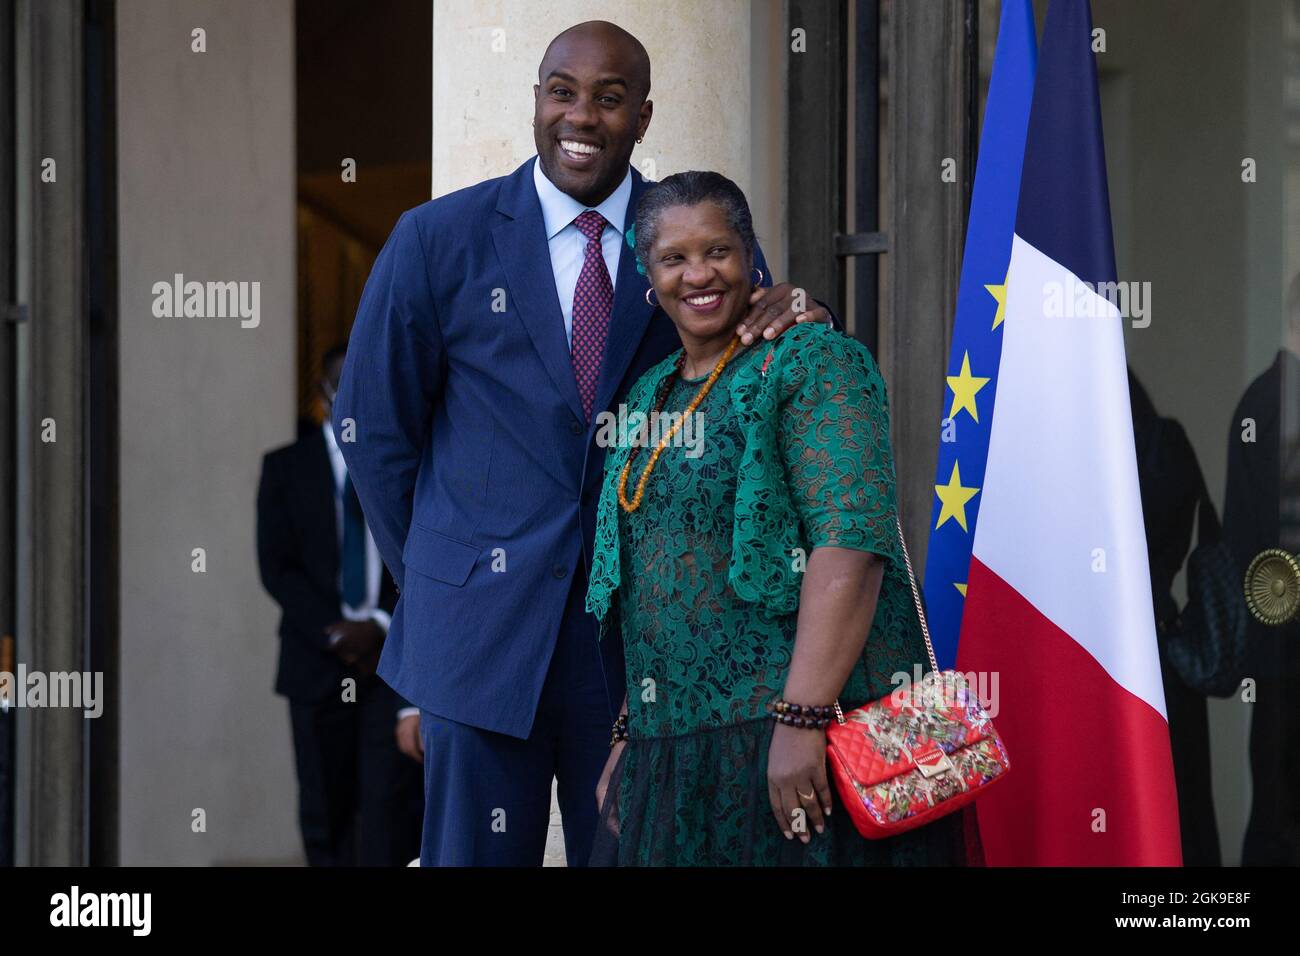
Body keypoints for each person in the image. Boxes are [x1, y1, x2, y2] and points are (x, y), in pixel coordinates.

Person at [333, 21, 831, 866]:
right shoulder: (437, 239)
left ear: (642, 117)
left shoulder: (686, 242)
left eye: (609, 98)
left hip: (639, 648)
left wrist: (799, 316)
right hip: (477, 641)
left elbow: (754, 377)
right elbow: (373, 432)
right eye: (563, 91)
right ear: (536, 102)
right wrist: (438, 572)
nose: (582, 116)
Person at [586, 171, 977, 866]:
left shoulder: (813, 361)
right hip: (677, 753)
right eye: (674, 259)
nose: (699, 274)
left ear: (750, 254)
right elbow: (658, 582)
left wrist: (801, 721)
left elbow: (850, 546)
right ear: (649, 274)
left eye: (718, 251)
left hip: (797, 738)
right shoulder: (648, 393)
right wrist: (630, 724)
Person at [257, 344, 423, 866]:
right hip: (315, 661)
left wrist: (377, 625)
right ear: (321, 395)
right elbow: (276, 567)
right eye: (337, 384)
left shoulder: (406, 461)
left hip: (388, 662)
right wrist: (336, 631)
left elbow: (422, 555)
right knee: (323, 809)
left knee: (387, 808)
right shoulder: (286, 467)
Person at [1222, 274, 1300, 866]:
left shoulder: (1259, 400)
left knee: (1274, 810)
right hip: (1286, 648)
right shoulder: (1279, 407)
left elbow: (1239, 537)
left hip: (1273, 652)